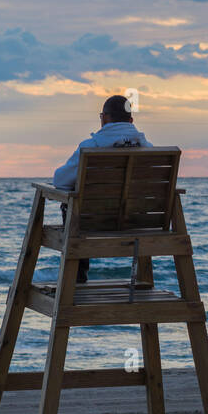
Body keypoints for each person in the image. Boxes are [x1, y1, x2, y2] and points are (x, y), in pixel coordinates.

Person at [53, 95, 153, 283]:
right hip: (136, 223)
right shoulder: (148, 149)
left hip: (91, 224)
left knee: (75, 212)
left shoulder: (90, 147)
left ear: (105, 118)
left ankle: (76, 283)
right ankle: (144, 287)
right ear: (131, 121)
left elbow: (60, 181)